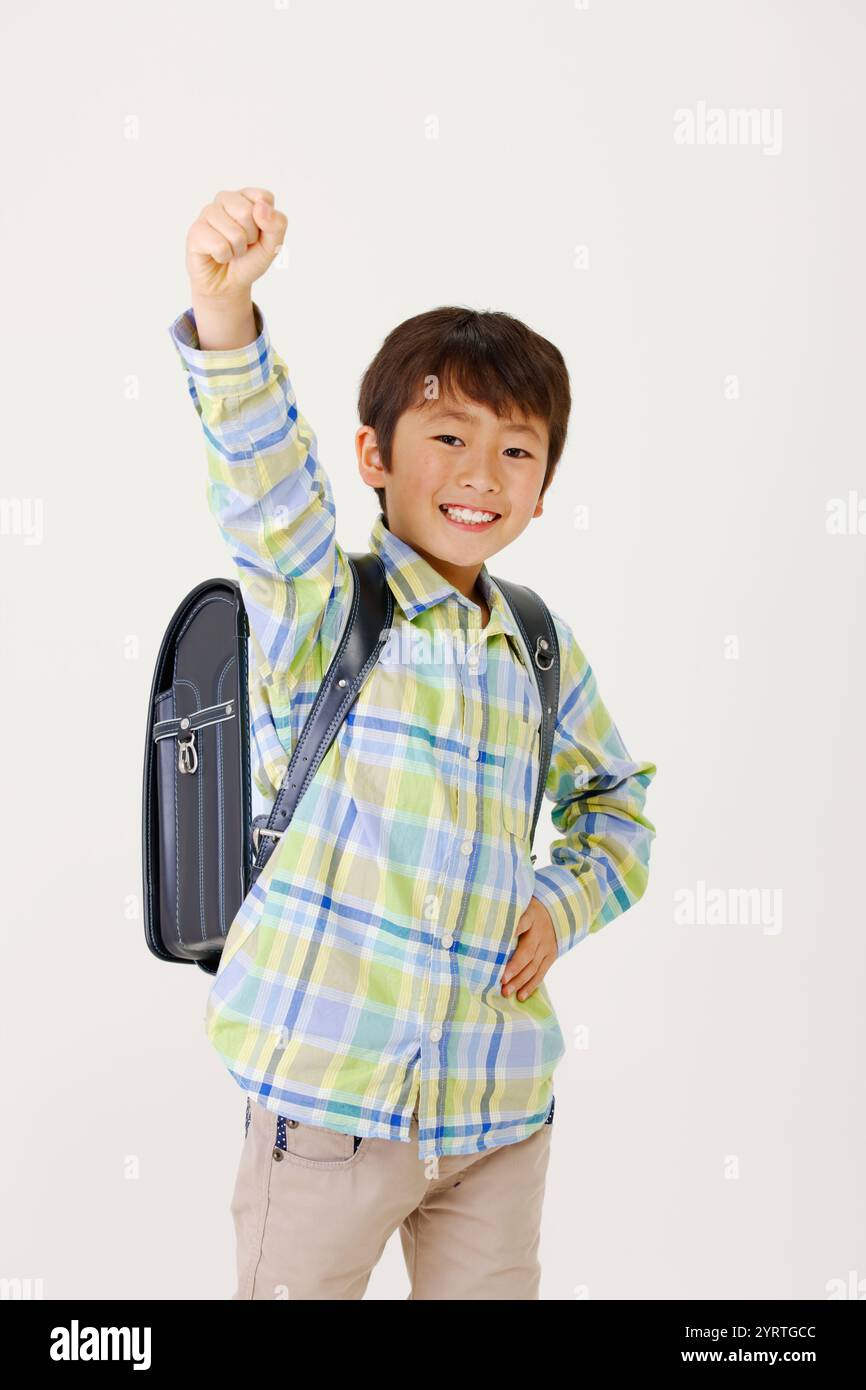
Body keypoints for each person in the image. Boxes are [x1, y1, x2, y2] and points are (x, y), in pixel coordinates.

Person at [167, 185, 657, 1300]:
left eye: (516, 451)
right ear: (374, 457)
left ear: (542, 486)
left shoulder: (535, 645)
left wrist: (561, 902)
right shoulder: (323, 610)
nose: (481, 474)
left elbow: (616, 806)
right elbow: (266, 493)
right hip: (328, 1108)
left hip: (494, 1112)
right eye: (447, 437)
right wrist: (226, 319)